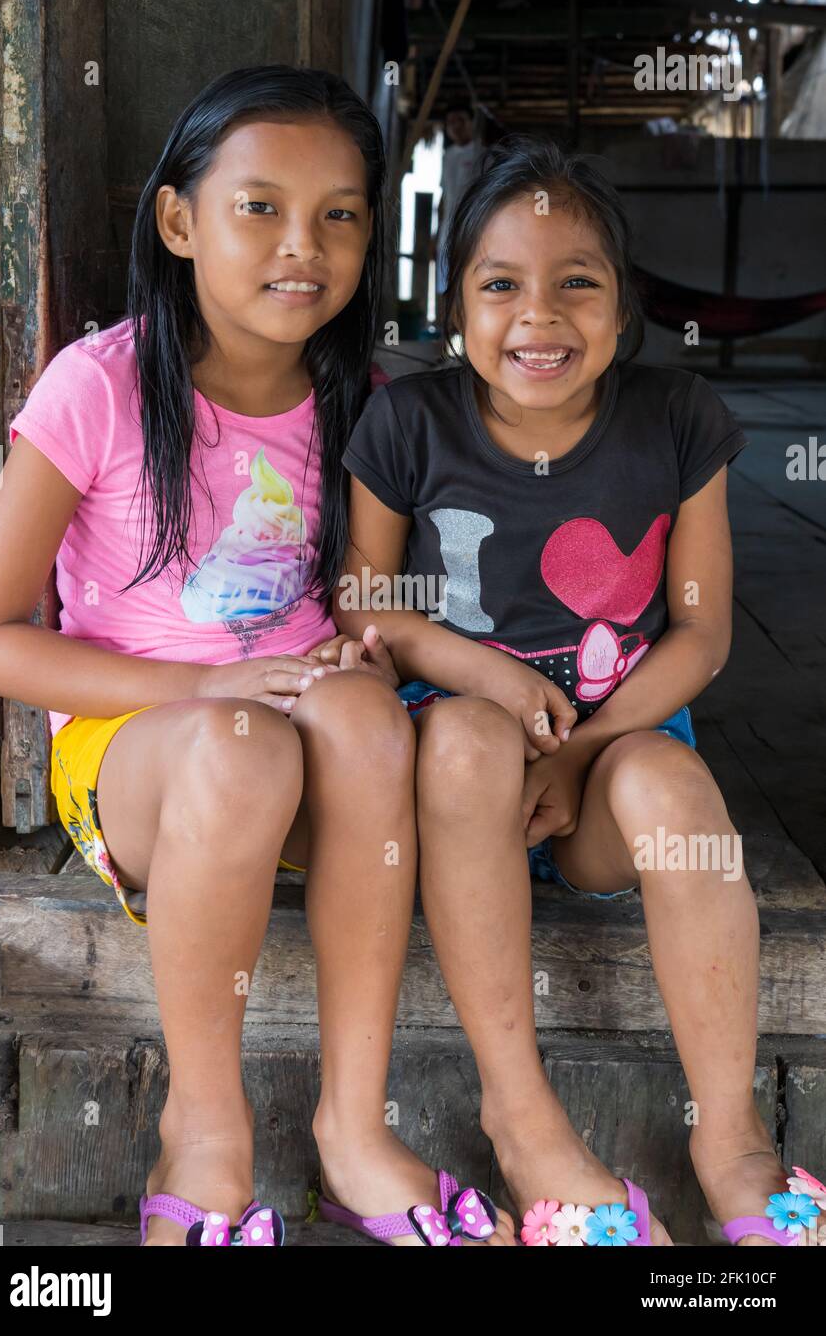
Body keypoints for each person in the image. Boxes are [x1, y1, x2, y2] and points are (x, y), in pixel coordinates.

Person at [0, 66, 516, 1248]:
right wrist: (202, 684)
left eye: (340, 214)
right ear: (179, 221)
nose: (300, 245)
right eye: (258, 206)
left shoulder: (366, 404)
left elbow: (373, 602)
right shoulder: (99, 386)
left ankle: (351, 1131)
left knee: (368, 717)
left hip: (318, 756)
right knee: (240, 742)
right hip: (151, 762)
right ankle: (204, 1135)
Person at [337, 134, 826, 1247]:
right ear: (452, 301)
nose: (536, 316)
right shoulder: (409, 422)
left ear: (624, 303)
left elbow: (700, 633)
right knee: (463, 738)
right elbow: (363, 599)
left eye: (576, 284)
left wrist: (575, 749)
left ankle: (729, 1137)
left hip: (607, 755)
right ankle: (520, 1117)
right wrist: (488, 676)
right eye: (499, 284)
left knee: (676, 795)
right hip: (461, 789)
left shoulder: (673, 422)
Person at [434, 99, 484, 314]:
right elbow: (444, 195)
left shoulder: (482, 154)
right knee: (446, 279)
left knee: (471, 277)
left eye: (461, 120)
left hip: (474, 227)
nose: (455, 126)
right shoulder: (448, 155)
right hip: (448, 228)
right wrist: (436, 233)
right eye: (450, 122)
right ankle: (444, 333)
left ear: (472, 122)